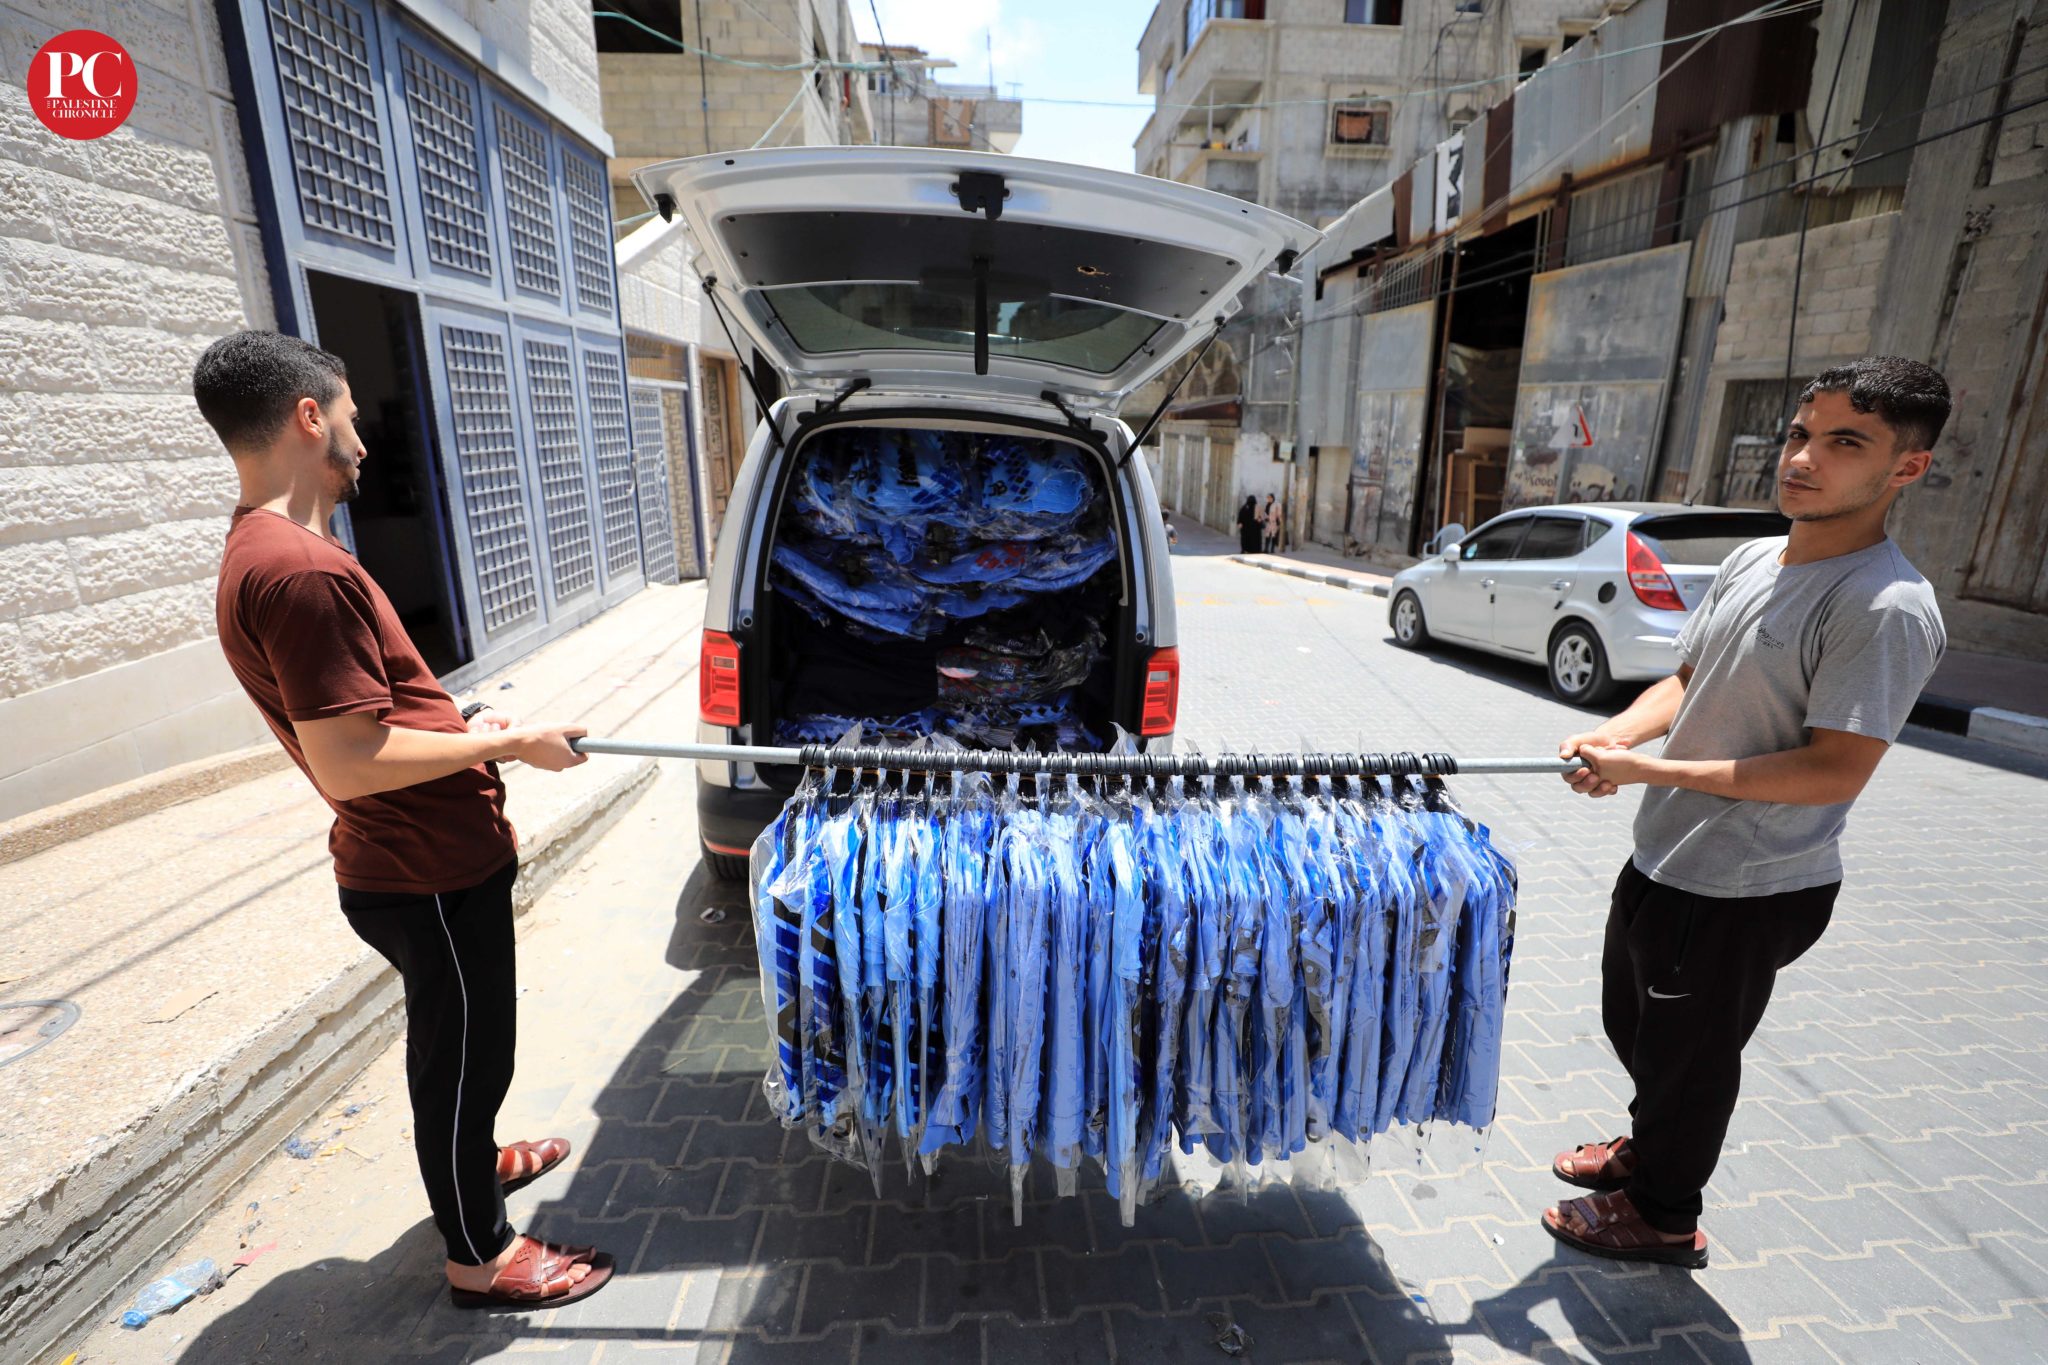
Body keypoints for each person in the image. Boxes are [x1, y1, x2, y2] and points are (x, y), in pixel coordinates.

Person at [193, 331, 614, 1310]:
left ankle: (474, 1162)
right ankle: (479, 1253)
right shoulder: (299, 570)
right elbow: (348, 756)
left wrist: (462, 725)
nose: (363, 442)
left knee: (467, 1051)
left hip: (420, 860)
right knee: (463, 1059)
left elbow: (368, 716)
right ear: (308, 418)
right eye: (349, 418)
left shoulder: (271, 551)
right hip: (422, 870)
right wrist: (513, 745)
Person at [1548, 357, 1950, 1268]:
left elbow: (1833, 770)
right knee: (1638, 1027)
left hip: (1745, 885)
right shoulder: (1754, 558)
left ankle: (1662, 1213)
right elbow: (1689, 677)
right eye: (1800, 434)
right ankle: (1650, 1145)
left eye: (1845, 443)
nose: (1803, 458)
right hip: (1668, 852)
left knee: (1691, 1061)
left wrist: (1649, 768)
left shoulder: (1885, 605)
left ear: (1907, 467)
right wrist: (1617, 733)